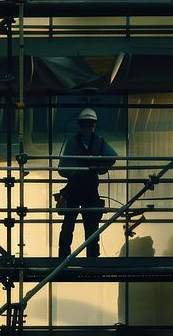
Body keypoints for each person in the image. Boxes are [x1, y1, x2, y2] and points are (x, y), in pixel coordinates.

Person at [56, 108, 118, 258]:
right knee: (87, 224)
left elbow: (63, 169)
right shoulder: (98, 142)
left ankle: (65, 255)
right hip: (86, 188)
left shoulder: (74, 142)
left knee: (73, 223)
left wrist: (81, 167)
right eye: (88, 124)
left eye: (88, 124)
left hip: (78, 188)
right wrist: (96, 166)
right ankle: (90, 256)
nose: (88, 128)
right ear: (93, 125)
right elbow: (112, 157)